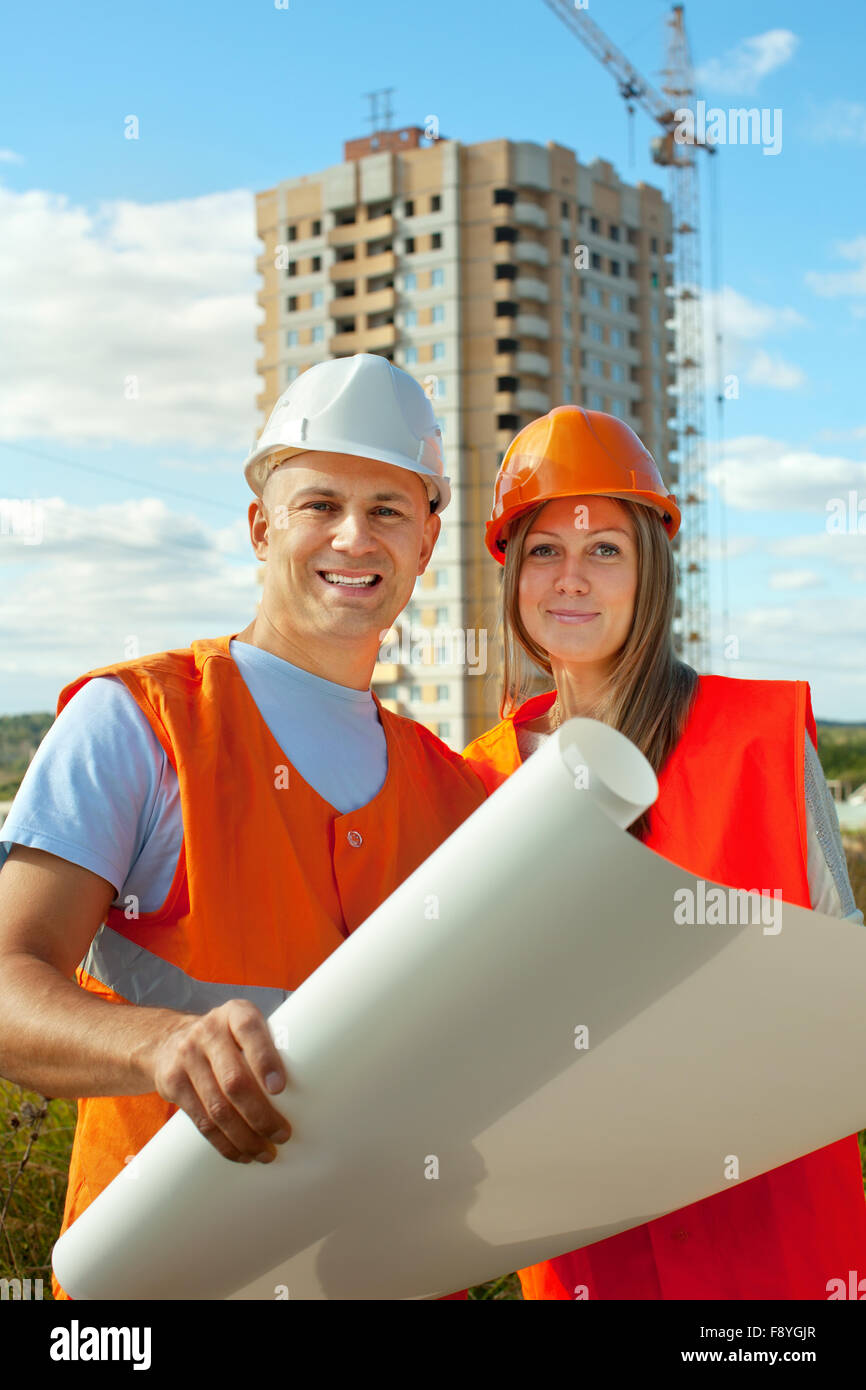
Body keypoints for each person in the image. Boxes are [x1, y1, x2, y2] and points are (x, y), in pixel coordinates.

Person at [0, 353, 486, 1302]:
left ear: (427, 542)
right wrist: (156, 1046)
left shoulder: (453, 793)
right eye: (320, 504)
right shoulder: (137, 721)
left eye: (389, 509)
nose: (355, 536)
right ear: (263, 527)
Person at [462, 403, 866, 1301]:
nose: (572, 578)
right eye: (544, 550)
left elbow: (847, 999)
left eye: (605, 548)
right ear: (512, 576)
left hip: (779, 1250)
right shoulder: (476, 786)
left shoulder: (760, 738)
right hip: (584, 1253)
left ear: (652, 572)